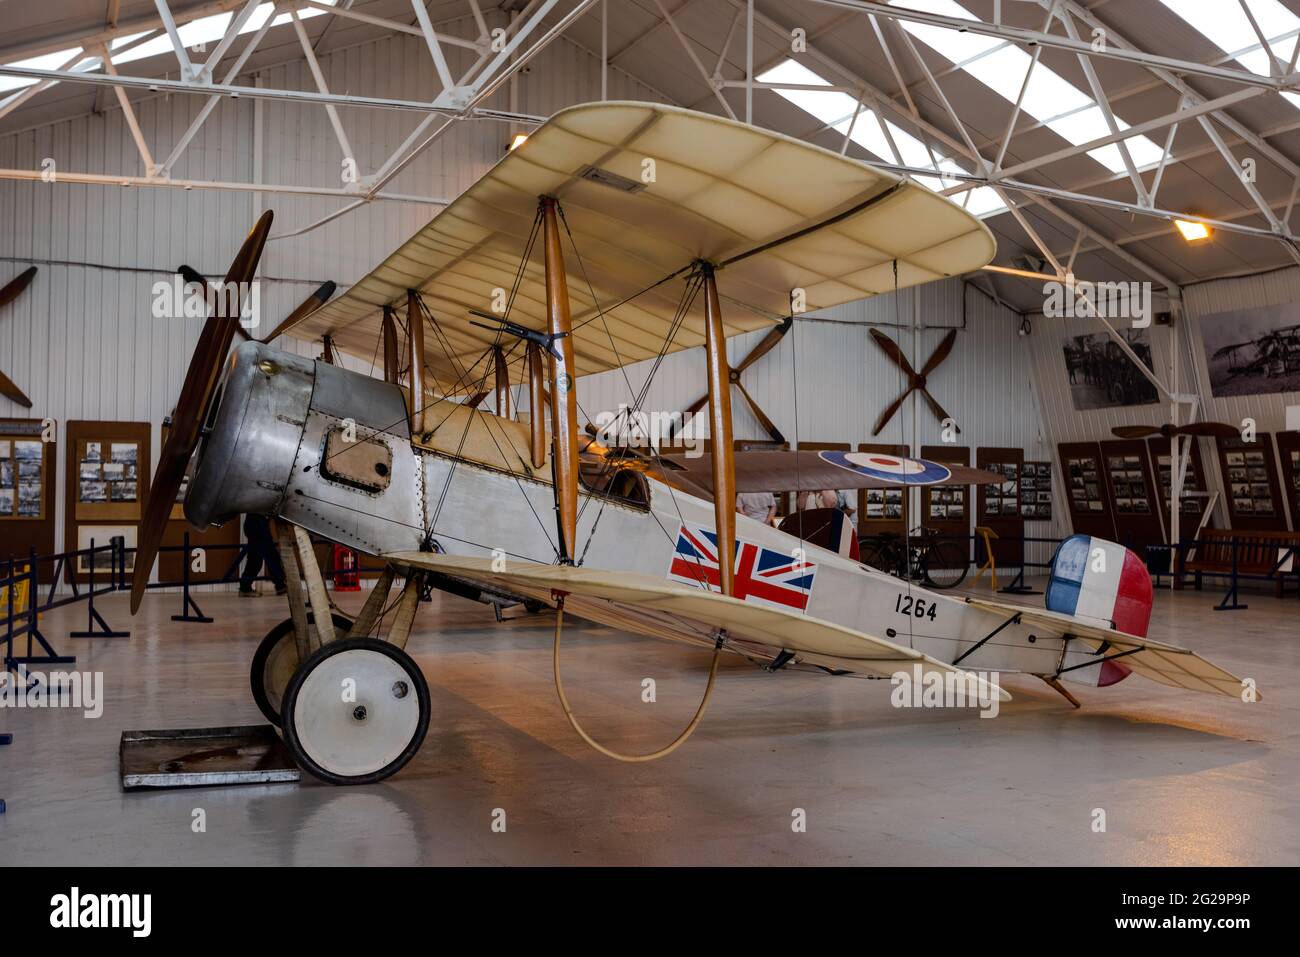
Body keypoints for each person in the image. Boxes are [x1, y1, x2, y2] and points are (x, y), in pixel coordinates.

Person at [239, 513, 288, 597]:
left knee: (255, 558)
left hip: (256, 522)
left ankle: (245, 588)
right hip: (257, 522)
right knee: (270, 555)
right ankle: (280, 585)